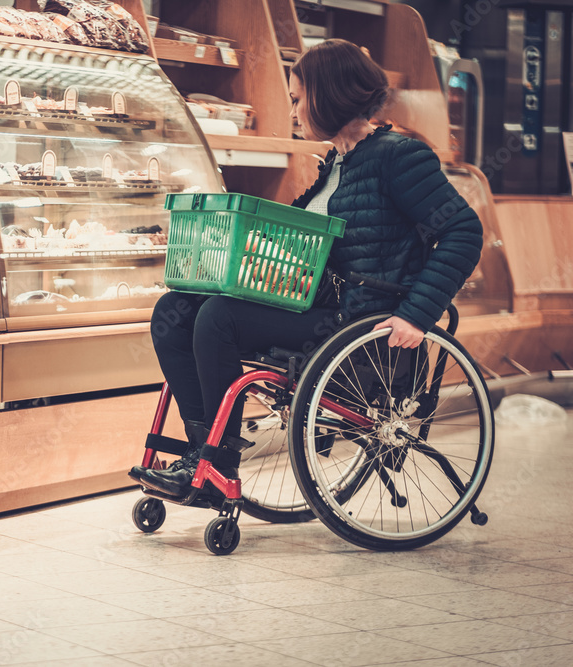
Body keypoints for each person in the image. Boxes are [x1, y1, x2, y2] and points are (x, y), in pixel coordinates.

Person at [133, 38, 484, 497]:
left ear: (329, 94)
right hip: (316, 307)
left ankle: (217, 465)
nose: (294, 111)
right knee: (172, 311)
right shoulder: (336, 162)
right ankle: (203, 455)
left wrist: (418, 313)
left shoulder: (398, 156)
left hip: (359, 323)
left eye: (298, 98)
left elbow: (463, 231)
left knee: (219, 317)